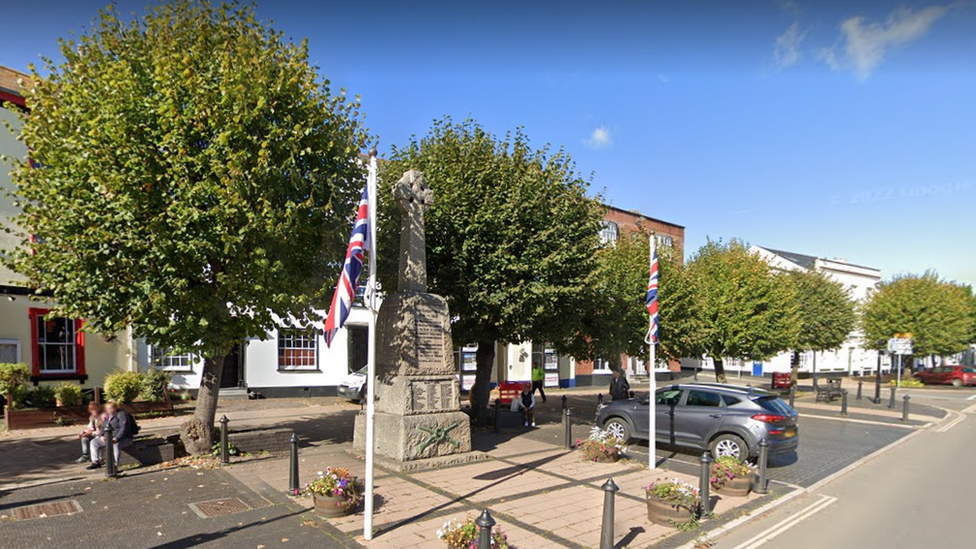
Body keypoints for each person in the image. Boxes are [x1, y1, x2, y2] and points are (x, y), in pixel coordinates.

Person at [87, 401, 133, 470]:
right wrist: (101, 435)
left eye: (110, 408)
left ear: (115, 408)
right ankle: (96, 462)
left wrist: (117, 438)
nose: (108, 410)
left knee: (116, 444)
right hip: (108, 438)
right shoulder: (107, 416)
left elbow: (124, 428)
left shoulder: (121, 415)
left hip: (123, 438)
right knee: (94, 442)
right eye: (107, 409)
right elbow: (103, 427)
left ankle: (115, 465)